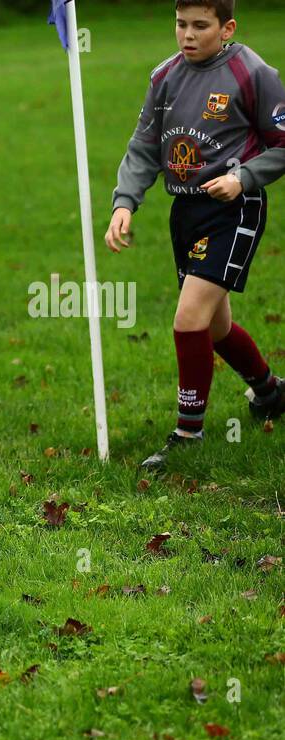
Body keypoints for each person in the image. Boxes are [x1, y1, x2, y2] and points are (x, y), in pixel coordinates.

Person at [104, 0, 285, 471]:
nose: (188, 34)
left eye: (200, 26)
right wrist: (125, 202)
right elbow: (144, 146)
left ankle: (189, 432)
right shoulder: (164, 75)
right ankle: (270, 392)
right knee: (216, 327)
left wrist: (243, 178)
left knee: (188, 321)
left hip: (233, 208)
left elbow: (283, 142)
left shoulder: (253, 72)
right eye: (181, 24)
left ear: (227, 28)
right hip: (185, 213)